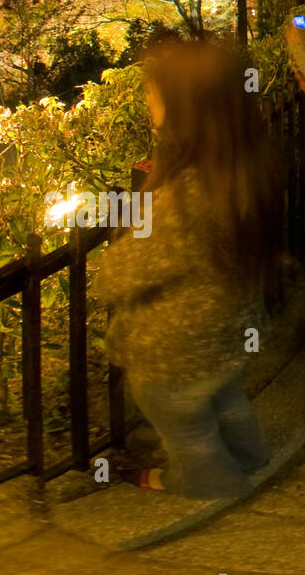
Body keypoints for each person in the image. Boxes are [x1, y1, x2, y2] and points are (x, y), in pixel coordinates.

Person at [92, 37, 282, 499]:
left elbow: (119, 276)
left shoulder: (179, 200)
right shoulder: (245, 170)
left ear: (184, 107)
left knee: (185, 424)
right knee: (226, 396)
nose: (147, 100)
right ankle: (251, 456)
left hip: (177, 351)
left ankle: (206, 480)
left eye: (153, 92)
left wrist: (109, 263)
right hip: (231, 332)